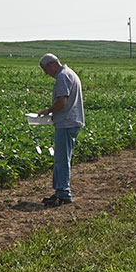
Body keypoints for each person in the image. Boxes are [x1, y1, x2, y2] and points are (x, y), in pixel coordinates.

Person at [37, 53, 84, 205]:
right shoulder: (69, 73)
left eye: (46, 70)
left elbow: (62, 102)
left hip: (66, 123)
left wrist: (48, 111)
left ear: (51, 65)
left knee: (62, 160)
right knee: (61, 158)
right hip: (70, 121)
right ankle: (59, 191)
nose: (47, 74)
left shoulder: (63, 76)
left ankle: (64, 194)